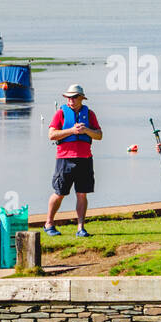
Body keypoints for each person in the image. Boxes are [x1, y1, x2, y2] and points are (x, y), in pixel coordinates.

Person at [45, 84, 102, 237]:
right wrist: (72, 130)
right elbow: (51, 135)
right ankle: (49, 223)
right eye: (69, 97)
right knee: (59, 192)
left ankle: (80, 228)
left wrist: (86, 131)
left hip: (85, 159)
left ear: (81, 98)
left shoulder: (89, 114)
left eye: (75, 97)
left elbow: (99, 135)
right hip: (65, 159)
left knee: (82, 194)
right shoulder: (60, 114)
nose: (71, 100)